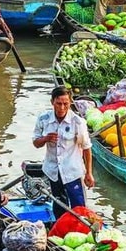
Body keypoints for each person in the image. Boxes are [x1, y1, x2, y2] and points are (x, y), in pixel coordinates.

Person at [32, 86, 93, 219]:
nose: (62, 108)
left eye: (65, 104)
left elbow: (86, 148)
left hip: (73, 172)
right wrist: (46, 139)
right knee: (59, 204)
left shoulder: (78, 122)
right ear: (52, 102)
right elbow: (36, 143)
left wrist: (89, 173)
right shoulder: (43, 119)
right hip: (53, 171)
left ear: (70, 103)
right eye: (58, 103)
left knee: (79, 208)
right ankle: (60, 230)